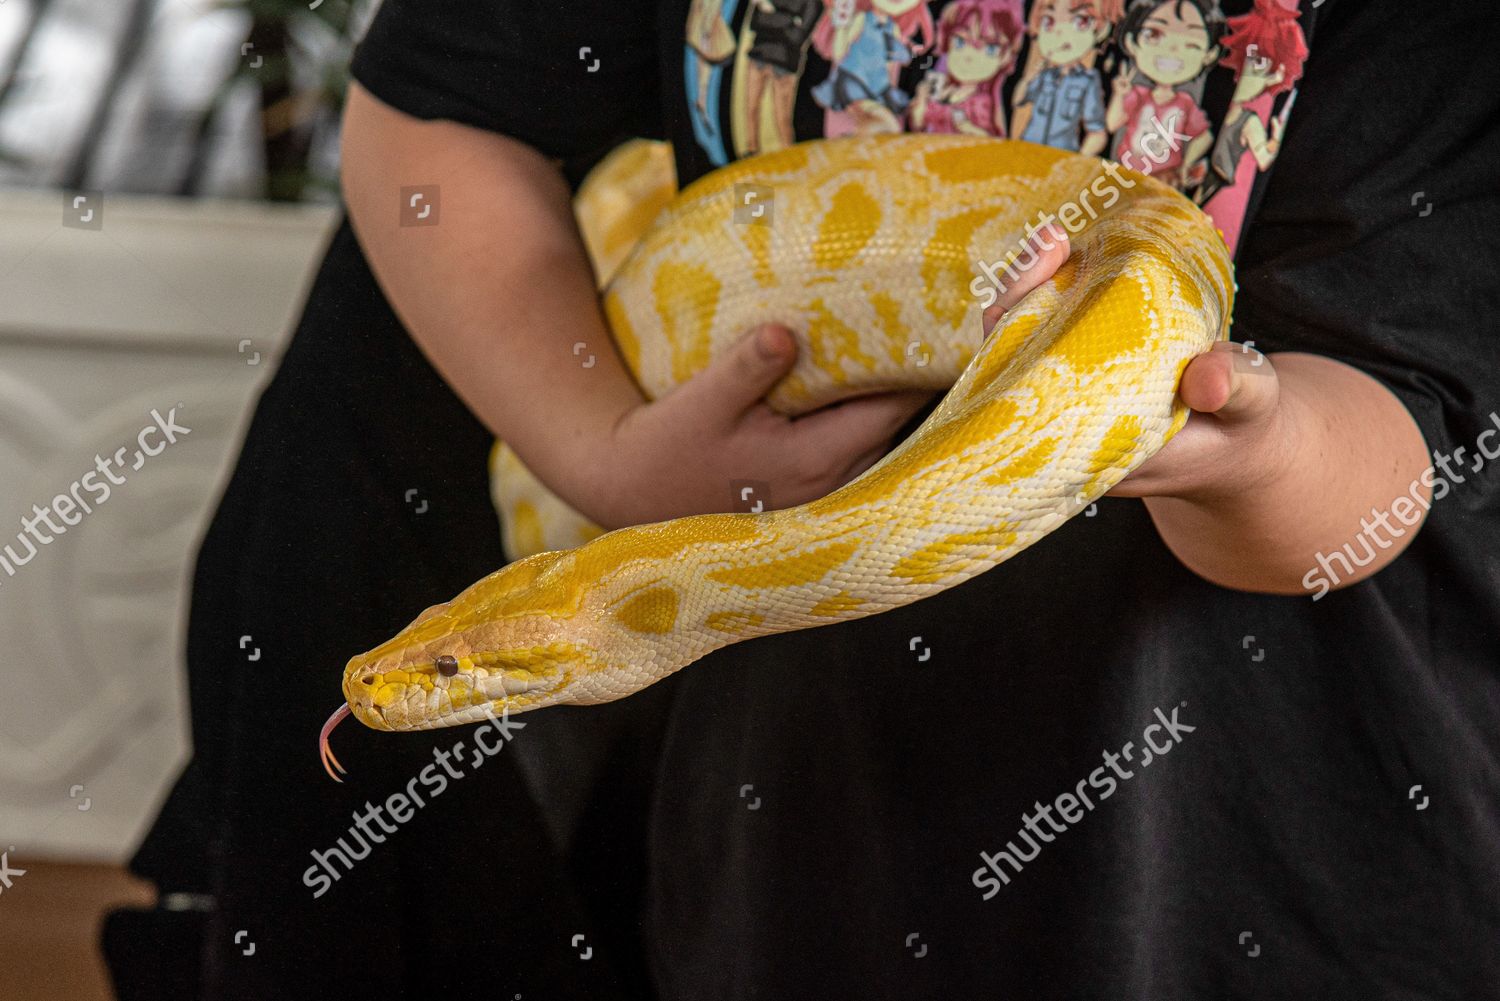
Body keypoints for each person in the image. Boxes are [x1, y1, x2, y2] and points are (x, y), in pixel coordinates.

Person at [110, 0, 1500, 998]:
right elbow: (434, 119)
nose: (419, 679)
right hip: (785, 854)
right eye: (458, 655)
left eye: (459, 662)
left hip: (1261, 862)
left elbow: (1389, 450)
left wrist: (1239, 449)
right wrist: (601, 448)